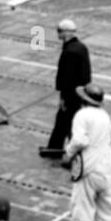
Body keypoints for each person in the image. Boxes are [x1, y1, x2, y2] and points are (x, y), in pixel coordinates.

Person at [57, 83, 111, 221]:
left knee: (83, 200)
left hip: (89, 163)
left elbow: (80, 140)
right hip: (106, 163)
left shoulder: (82, 115)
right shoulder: (105, 115)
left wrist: (68, 153)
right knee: (106, 198)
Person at [41, 18, 91, 157]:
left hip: (70, 95)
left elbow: (67, 78)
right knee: (67, 123)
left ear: (67, 33)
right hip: (79, 93)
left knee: (64, 123)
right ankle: (59, 148)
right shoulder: (81, 47)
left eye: (59, 31)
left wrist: (63, 97)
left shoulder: (70, 51)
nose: (58, 33)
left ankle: (60, 150)